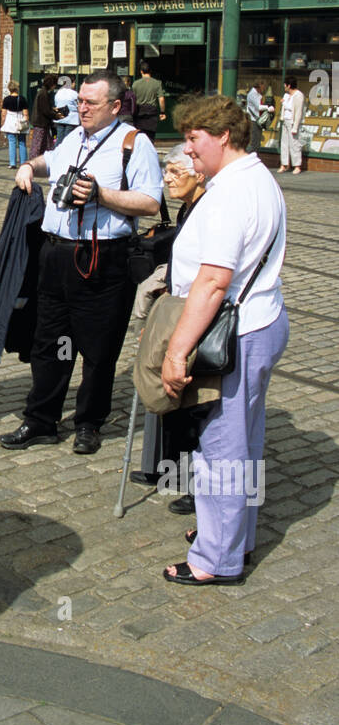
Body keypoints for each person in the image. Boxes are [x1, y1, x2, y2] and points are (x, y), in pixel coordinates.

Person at [0, 69, 163, 455]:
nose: (81, 108)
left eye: (90, 103)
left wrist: (101, 195)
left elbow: (151, 202)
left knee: (98, 346)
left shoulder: (133, 143)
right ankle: (41, 419)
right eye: (80, 101)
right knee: (51, 341)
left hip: (102, 258)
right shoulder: (75, 135)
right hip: (56, 253)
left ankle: (89, 422)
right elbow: (50, 160)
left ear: (116, 106)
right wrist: (28, 166)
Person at [161, 95, 287, 585]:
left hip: (237, 331)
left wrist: (176, 350)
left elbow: (213, 281)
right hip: (260, 321)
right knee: (244, 443)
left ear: (224, 137)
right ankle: (236, 537)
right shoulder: (254, 178)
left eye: (194, 139)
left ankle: (216, 560)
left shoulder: (233, 192)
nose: (187, 150)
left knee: (223, 447)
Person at [129, 143, 207, 511]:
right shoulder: (186, 207)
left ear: (199, 172)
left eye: (176, 171)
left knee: (193, 399)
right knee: (169, 392)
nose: (167, 178)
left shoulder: (208, 210)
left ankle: (195, 482)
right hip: (173, 305)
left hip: (193, 310)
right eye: (166, 171)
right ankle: (168, 467)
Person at [277, 76, 305, 175]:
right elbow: (284, 108)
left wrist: (295, 127)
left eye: (285, 85)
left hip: (292, 122)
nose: (284, 87)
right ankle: (284, 164)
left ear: (289, 85)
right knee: (284, 144)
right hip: (285, 121)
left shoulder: (298, 95)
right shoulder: (286, 95)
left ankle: (297, 165)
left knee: (294, 144)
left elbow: (298, 112)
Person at [133, 61, 166, 141]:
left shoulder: (135, 84)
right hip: (151, 112)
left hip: (139, 112)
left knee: (139, 137)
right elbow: (161, 99)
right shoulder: (157, 83)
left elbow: (133, 99)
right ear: (150, 71)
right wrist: (162, 112)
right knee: (150, 138)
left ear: (141, 71)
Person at [29, 74, 59, 160]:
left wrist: (53, 110)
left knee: (46, 145)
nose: (55, 86)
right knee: (38, 145)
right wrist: (56, 115)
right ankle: (32, 162)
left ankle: (46, 160)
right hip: (41, 123)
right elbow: (45, 110)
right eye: (55, 84)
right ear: (52, 84)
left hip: (42, 123)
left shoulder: (43, 92)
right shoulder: (43, 94)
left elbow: (45, 108)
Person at [0, 80, 29, 169]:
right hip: (20, 121)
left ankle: (12, 163)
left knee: (12, 143)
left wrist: (2, 123)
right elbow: (26, 113)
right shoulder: (22, 99)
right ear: (17, 88)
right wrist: (26, 121)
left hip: (10, 122)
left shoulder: (6, 99)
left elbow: (4, 114)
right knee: (22, 143)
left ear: (9, 89)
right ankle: (23, 162)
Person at [52, 75, 79, 147]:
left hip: (60, 118)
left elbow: (56, 104)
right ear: (72, 83)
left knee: (59, 138)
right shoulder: (74, 94)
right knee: (69, 139)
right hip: (71, 119)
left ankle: (56, 154)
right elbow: (78, 105)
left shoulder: (58, 93)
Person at [245, 79, 267, 153]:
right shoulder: (252, 94)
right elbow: (258, 107)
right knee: (253, 143)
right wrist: (268, 107)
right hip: (253, 120)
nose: (263, 89)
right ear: (259, 86)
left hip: (257, 120)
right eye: (263, 87)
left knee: (257, 143)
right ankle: (246, 157)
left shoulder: (257, 94)